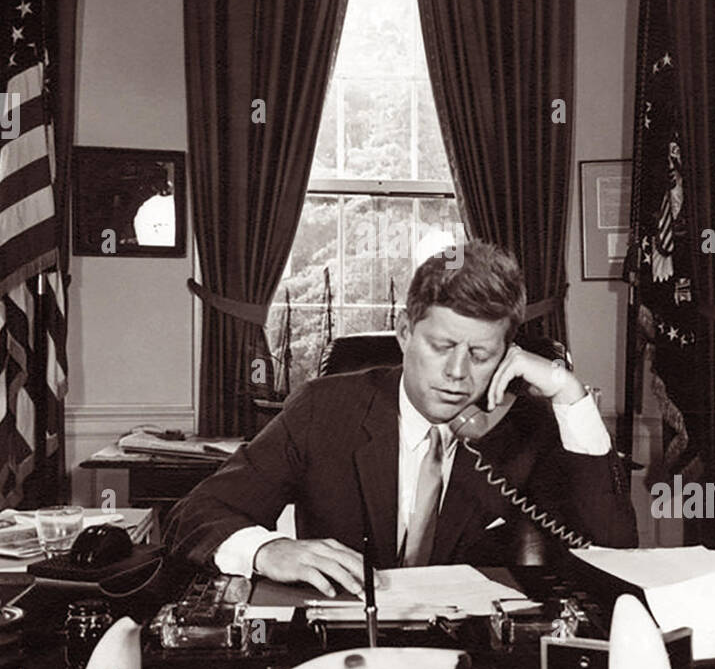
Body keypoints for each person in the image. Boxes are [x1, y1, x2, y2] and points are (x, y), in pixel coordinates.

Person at [165, 241, 636, 595]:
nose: (457, 373)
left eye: (480, 353)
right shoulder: (324, 409)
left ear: (507, 356)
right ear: (405, 332)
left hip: (477, 663)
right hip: (344, 653)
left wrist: (570, 395)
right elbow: (194, 514)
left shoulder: (527, 426)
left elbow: (615, 546)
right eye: (442, 346)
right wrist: (267, 550)